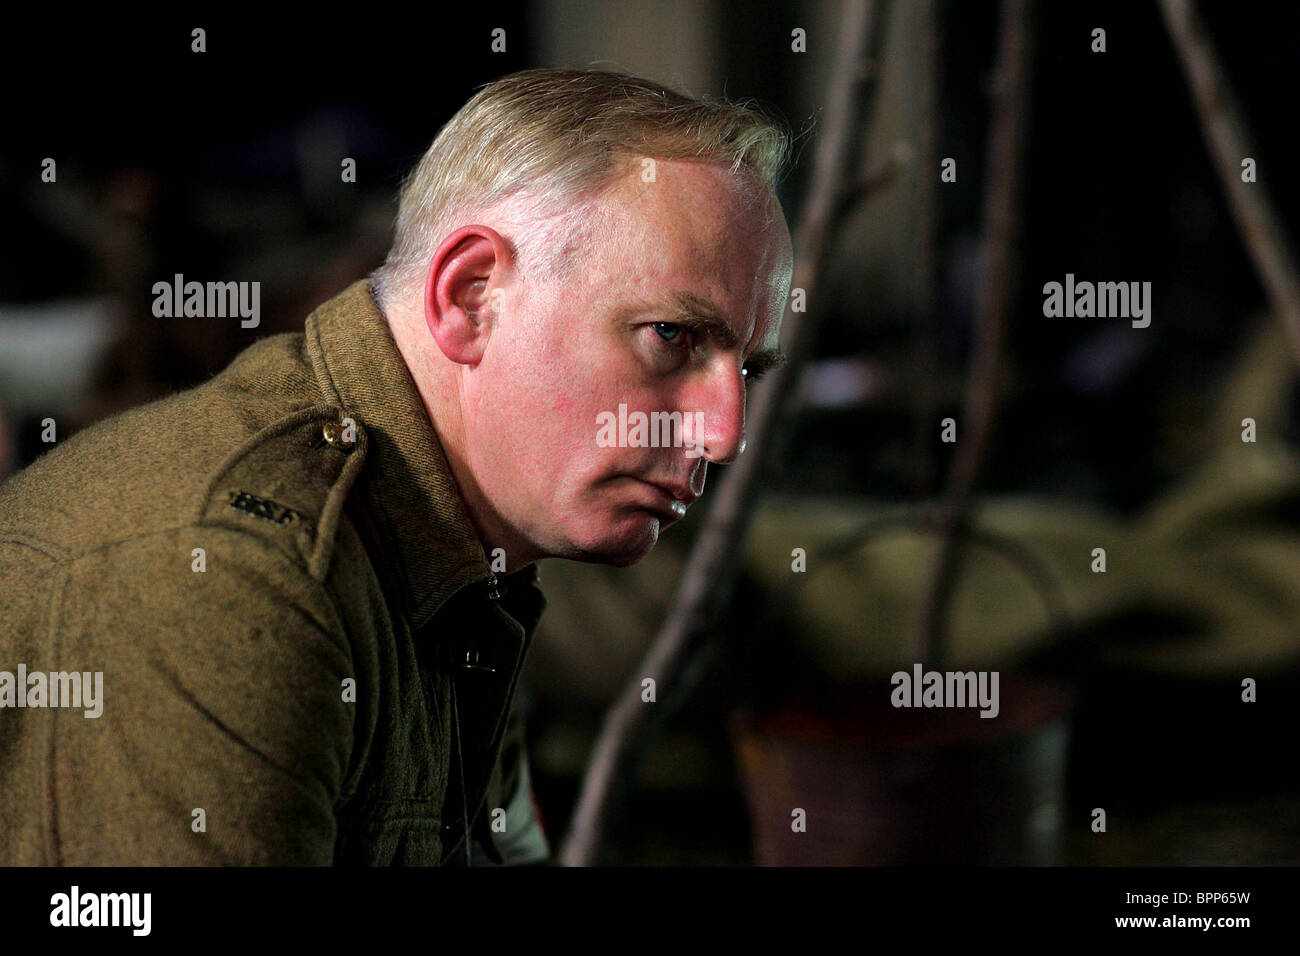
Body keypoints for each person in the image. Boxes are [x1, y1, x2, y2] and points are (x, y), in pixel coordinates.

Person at [0, 67, 794, 865]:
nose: (724, 435)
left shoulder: (466, 550)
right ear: (472, 296)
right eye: (671, 336)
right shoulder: (233, 579)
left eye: (749, 370)